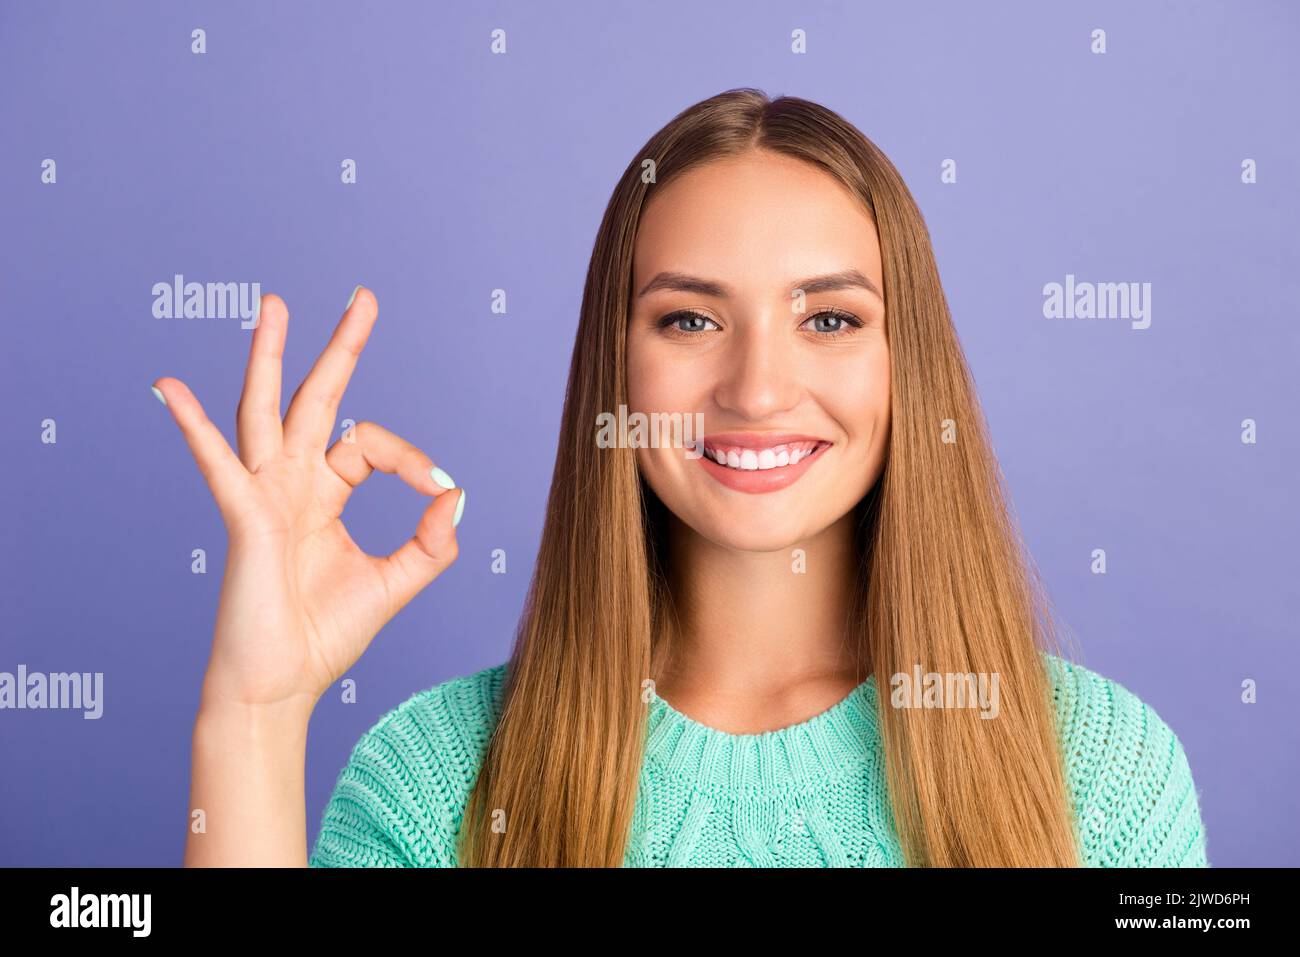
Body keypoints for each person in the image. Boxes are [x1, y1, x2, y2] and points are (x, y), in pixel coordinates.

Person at [160, 88, 1208, 868]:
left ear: (908, 363)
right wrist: (256, 710)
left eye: (829, 319)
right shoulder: (435, 784)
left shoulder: (1101, 777)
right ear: (613, 363)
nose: (757, 388)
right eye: (690, 319)